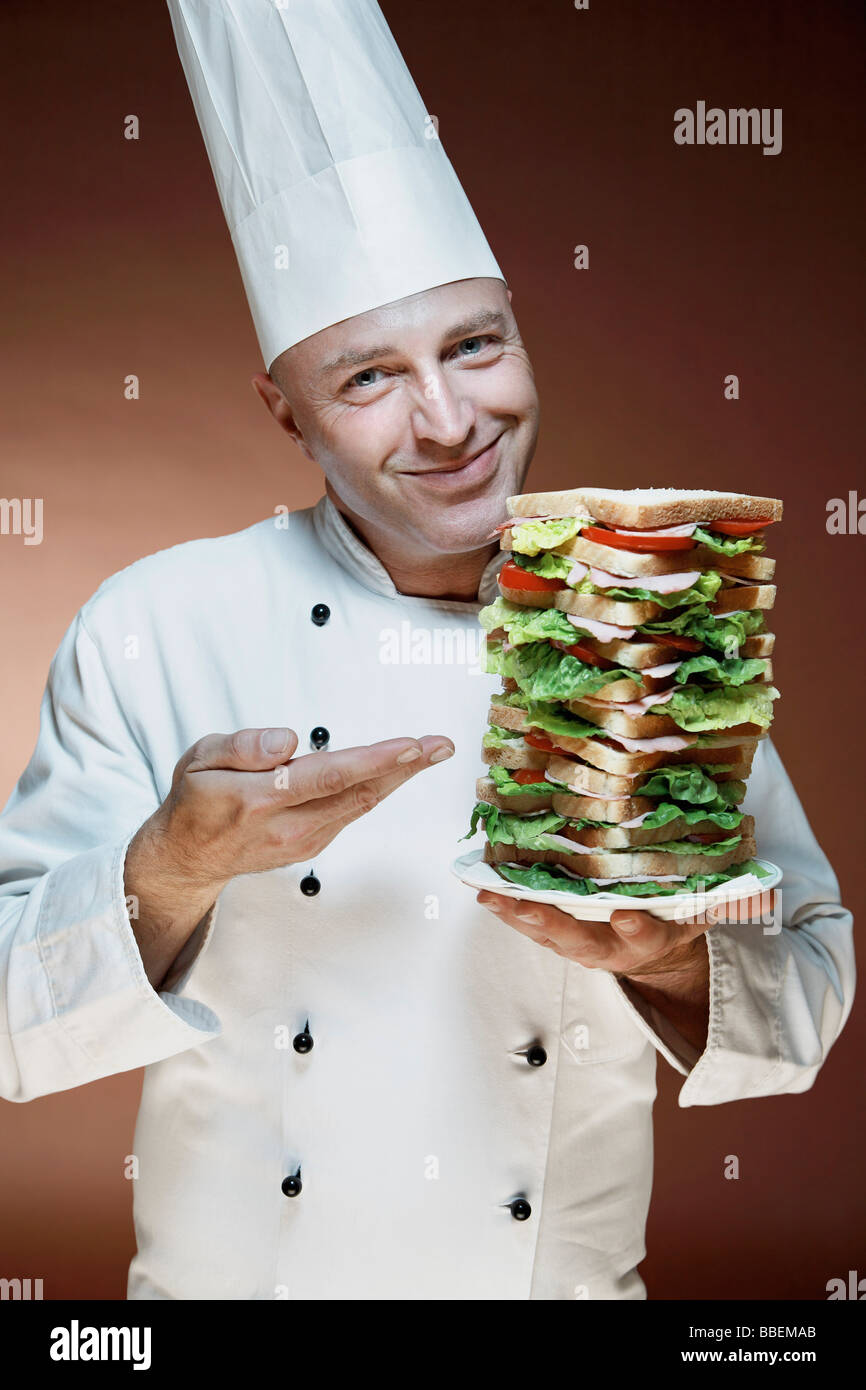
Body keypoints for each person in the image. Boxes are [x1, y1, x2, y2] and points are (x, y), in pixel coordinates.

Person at [0, 0, 853, 1300]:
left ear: (520, 331)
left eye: (473, 344)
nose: (451, 420)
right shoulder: (154, 621)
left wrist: (670, 954)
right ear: (282, 409)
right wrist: (171, 867)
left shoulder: (651, 618)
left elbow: (799, 999)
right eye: (367, 379)